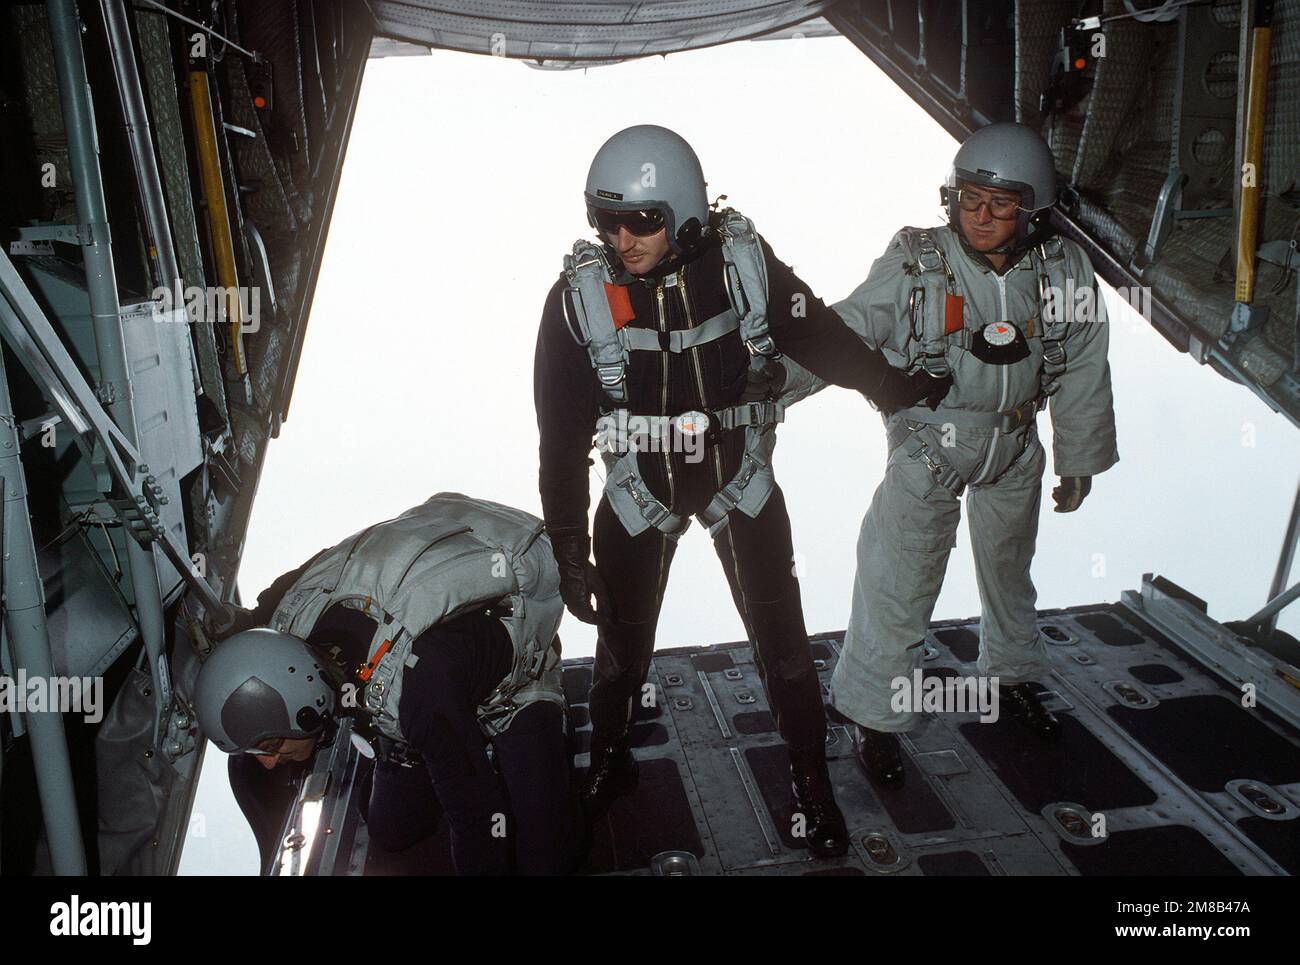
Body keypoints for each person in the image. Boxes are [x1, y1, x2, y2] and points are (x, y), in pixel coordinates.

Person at [533, 124, 950, 858]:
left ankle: (808, 775)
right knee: (619, 653)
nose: (622, 238)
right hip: (638, 489)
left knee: (784, 646)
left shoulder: (742, 266)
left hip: (739, 479)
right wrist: (568, 543)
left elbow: (818, 335)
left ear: (687, 213)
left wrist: (894, 386)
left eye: (642, 220)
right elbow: (561, 437)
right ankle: (609, 759)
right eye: (607, 220)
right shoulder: (580, 302)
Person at [824, 122, 1119, 784]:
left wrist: (1078, 457)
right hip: (933, 442)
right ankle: (875, 716)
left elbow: (1081, 366)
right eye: (969, 200)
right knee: (898, 582)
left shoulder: (1062, 268)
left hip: (1016, 442)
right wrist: (760, 386)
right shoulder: (918, 260)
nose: (980, 217)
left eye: (1000, 204)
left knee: (1010, 574)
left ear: (1034, 209)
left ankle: (1010, 674)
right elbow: (847, 329)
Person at [193, 493, 585, 875]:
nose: (267, 762)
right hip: (429, 685)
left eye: (270, 744)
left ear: (306, 704)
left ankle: (537, 728)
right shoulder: (288, 616)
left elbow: (480, 823)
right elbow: (265, 613)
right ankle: (428, 748)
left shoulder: (418, 691)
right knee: (392, 830)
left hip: (511, 691)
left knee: (546, 854)